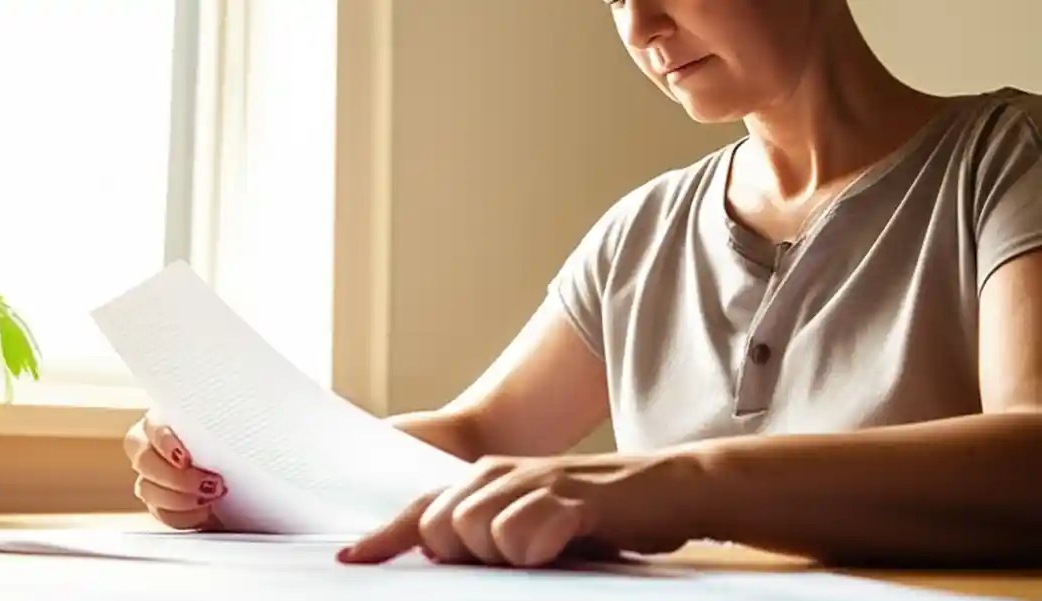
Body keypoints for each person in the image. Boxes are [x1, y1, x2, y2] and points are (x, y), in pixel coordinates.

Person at [124, 0, 1042, 568]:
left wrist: (682, 485)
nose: (641, 27)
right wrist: (252, 469)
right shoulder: (642, 231)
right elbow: (478, 435)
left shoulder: (1006, 161)